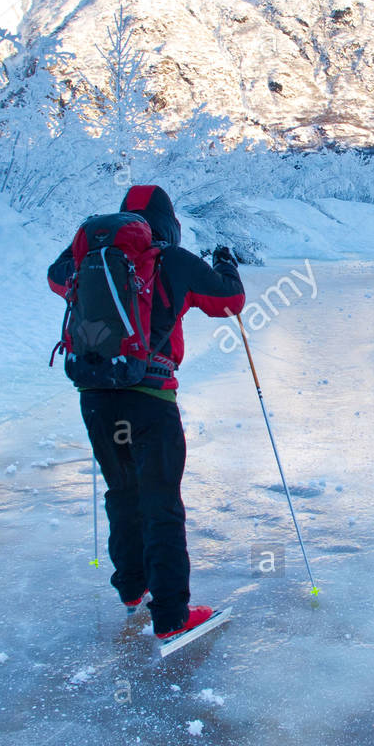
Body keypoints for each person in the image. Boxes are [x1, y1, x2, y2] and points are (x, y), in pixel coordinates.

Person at [48, 185, 245, 643]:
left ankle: (132, 588)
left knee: (123, 490)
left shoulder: (90, 258)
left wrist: (93, 245)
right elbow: (229, 301)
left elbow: (57, 278)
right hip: (150, 397)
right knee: (161, 502)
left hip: (95, 394)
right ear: (168, 222)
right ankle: (172, 614)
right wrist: (225, 262)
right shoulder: (170, 260)